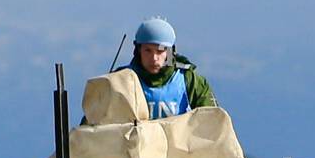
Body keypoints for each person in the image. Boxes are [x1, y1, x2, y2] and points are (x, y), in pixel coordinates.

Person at [83, 17, 217, 123]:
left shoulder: (189, 80)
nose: (154, 58)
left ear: (170, 52)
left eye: (160, 51)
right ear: (138, 50)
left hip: (180, 156)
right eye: (148, 50)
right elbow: (93, 124)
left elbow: (211, 122)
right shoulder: (120, 81)